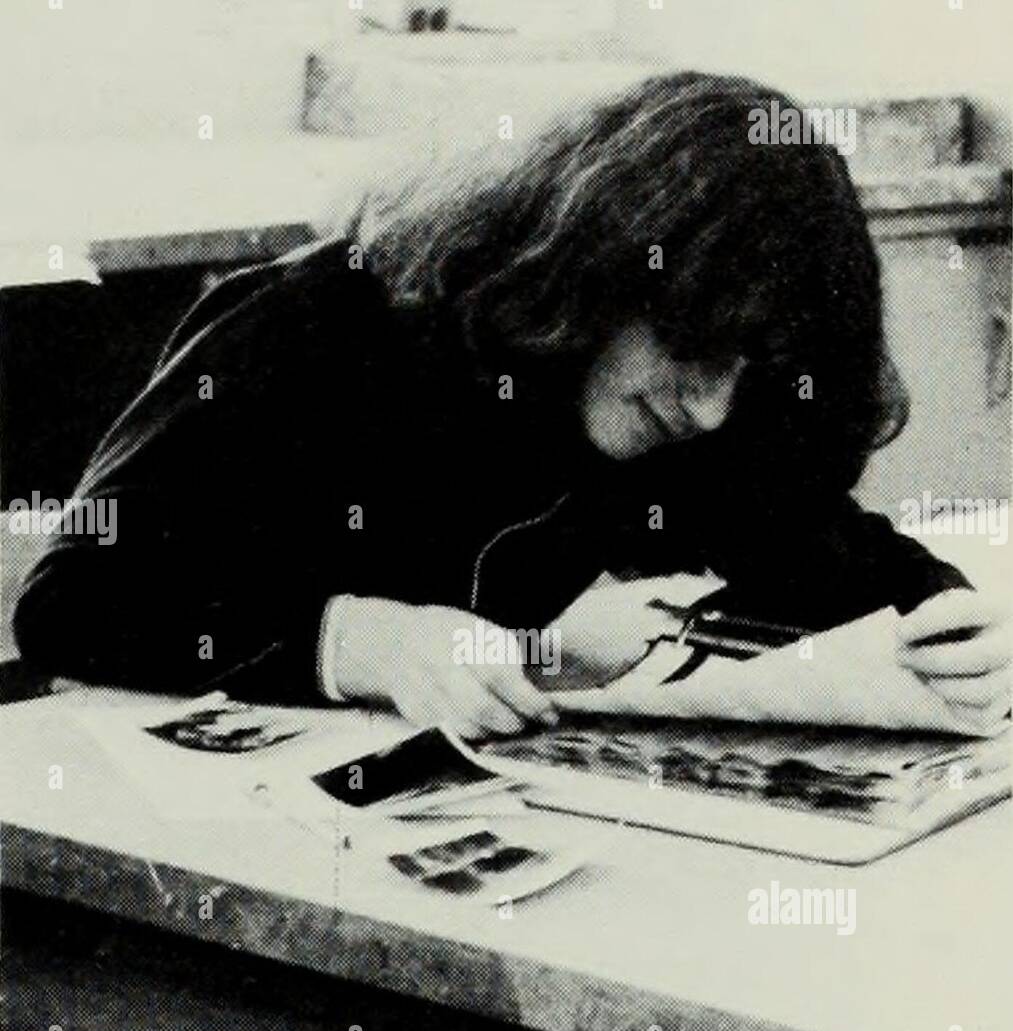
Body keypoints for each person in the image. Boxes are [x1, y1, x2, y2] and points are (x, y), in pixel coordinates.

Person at [14, 72, 1010, 738]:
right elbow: (75, 603)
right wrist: (367, 641)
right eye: (695, 348)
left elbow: (810, 538)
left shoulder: (662, 400)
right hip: (184, 807)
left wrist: (945, 618)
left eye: (744, 372)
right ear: (598, 266)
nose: (711, 410)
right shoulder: (316, 322)